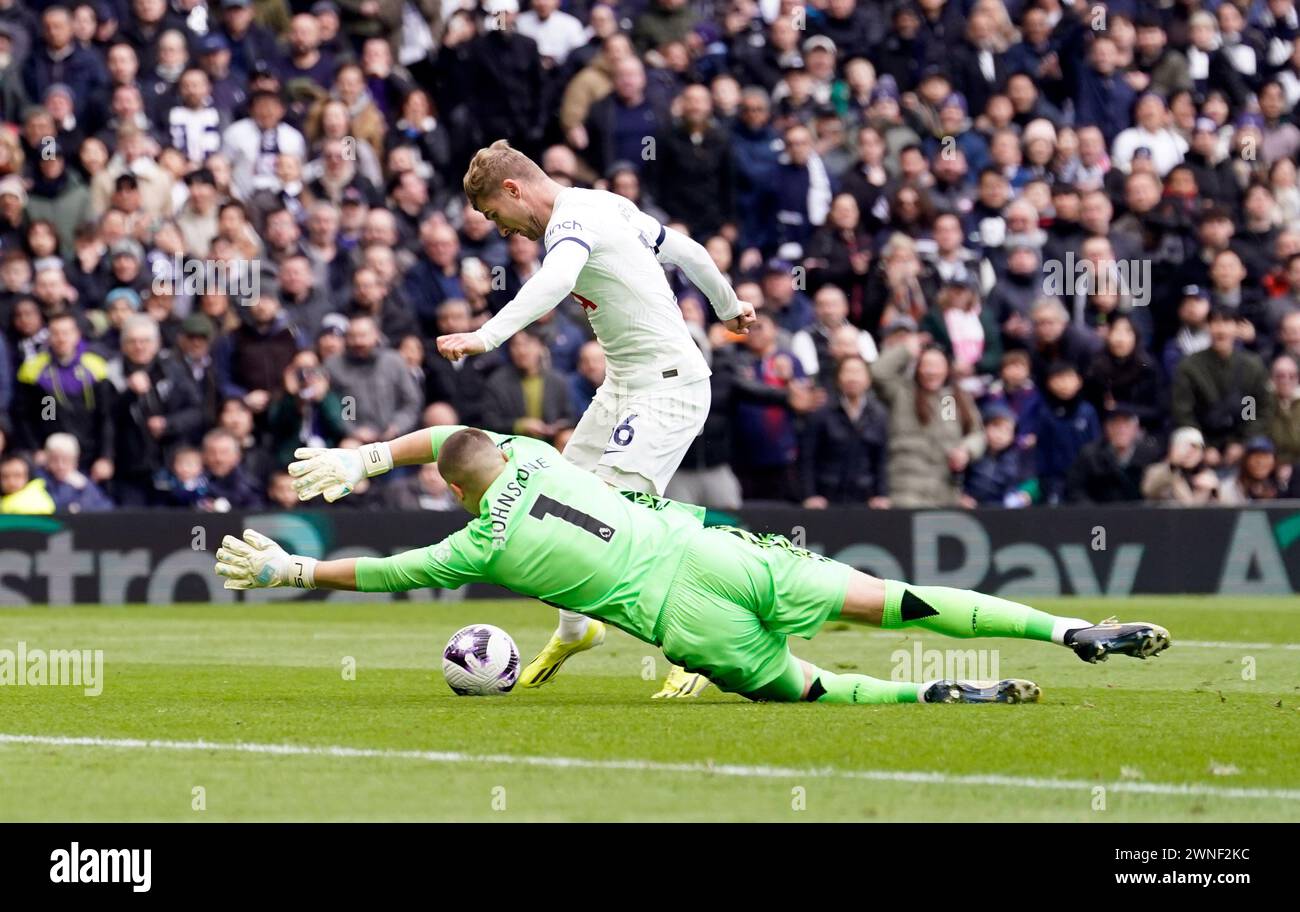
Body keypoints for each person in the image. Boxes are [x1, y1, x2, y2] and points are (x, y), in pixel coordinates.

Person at [215, 424, 1172, 706]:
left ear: (463, 493)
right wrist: (380, 453)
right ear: (505, 454)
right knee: (898, 601)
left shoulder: (480, 540)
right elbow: (454, 437)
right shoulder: (539, 452)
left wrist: (293, 573)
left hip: (687, 622)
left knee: (809, 687)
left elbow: (385, 571)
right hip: (723, 555)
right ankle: (1066, 630)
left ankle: (933, 700)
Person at [437, 139, 756, 698]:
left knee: (621, 523)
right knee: (550, 506)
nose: (502, 229)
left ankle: (706, 645)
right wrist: (728, 308)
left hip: (668, 390)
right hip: (622, 387)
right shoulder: (607, 204)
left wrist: (486, 335)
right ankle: (577, 628)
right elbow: (690, 252)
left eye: (495, 215)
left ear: (514, 190)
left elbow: (557, 282)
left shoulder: (571, 222)